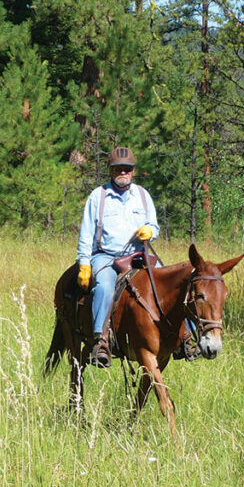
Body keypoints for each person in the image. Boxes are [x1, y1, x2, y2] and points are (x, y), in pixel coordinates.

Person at [76, 146, 160, 368]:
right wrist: (85, 265)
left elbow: (154, 224)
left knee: (169, 279)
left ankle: (186, 337)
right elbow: (86, 234)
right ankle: (100, 339)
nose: (123, 172)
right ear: (111, 171)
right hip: (106, 256)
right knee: (104, 286)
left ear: (133, 171)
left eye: (127, 169)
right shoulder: (98, 196)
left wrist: (150, 231)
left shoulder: (143, 195)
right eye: (118, 169)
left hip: (139, 254)